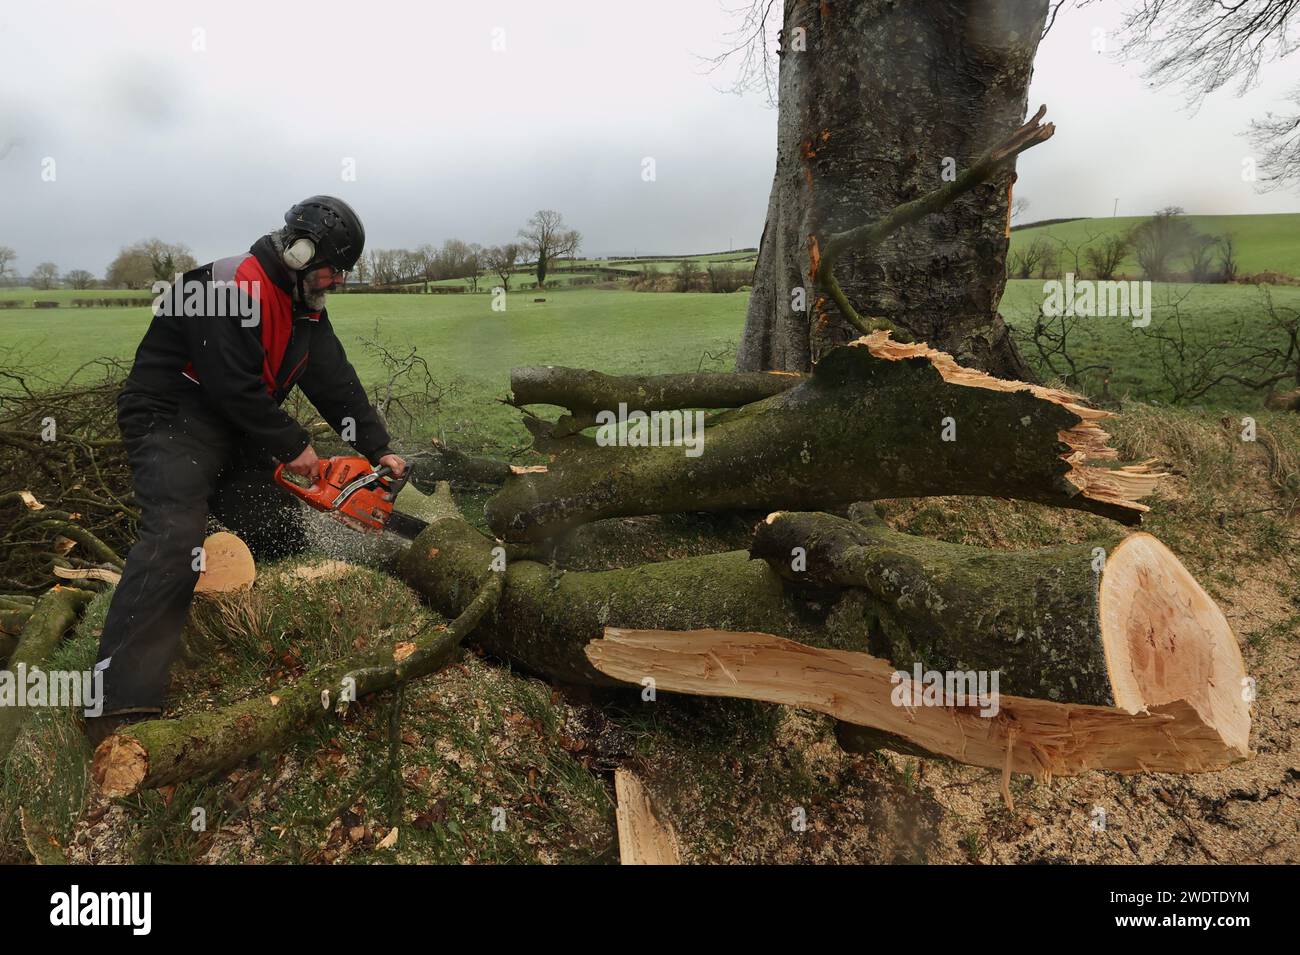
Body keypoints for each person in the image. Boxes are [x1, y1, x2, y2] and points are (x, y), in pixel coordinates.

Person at [85, 196, 405, 746]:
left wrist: (378, 448)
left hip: (233, 420)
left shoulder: (305, 305)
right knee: (176, 532)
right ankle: (117, 705)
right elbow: (231, 384)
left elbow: (333, 379)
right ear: (302, 253)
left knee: (269, 516)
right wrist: (294, 445)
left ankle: (252, 638)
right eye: (335, 269)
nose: (338, 282)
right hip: (170, 414)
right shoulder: (226, 286)